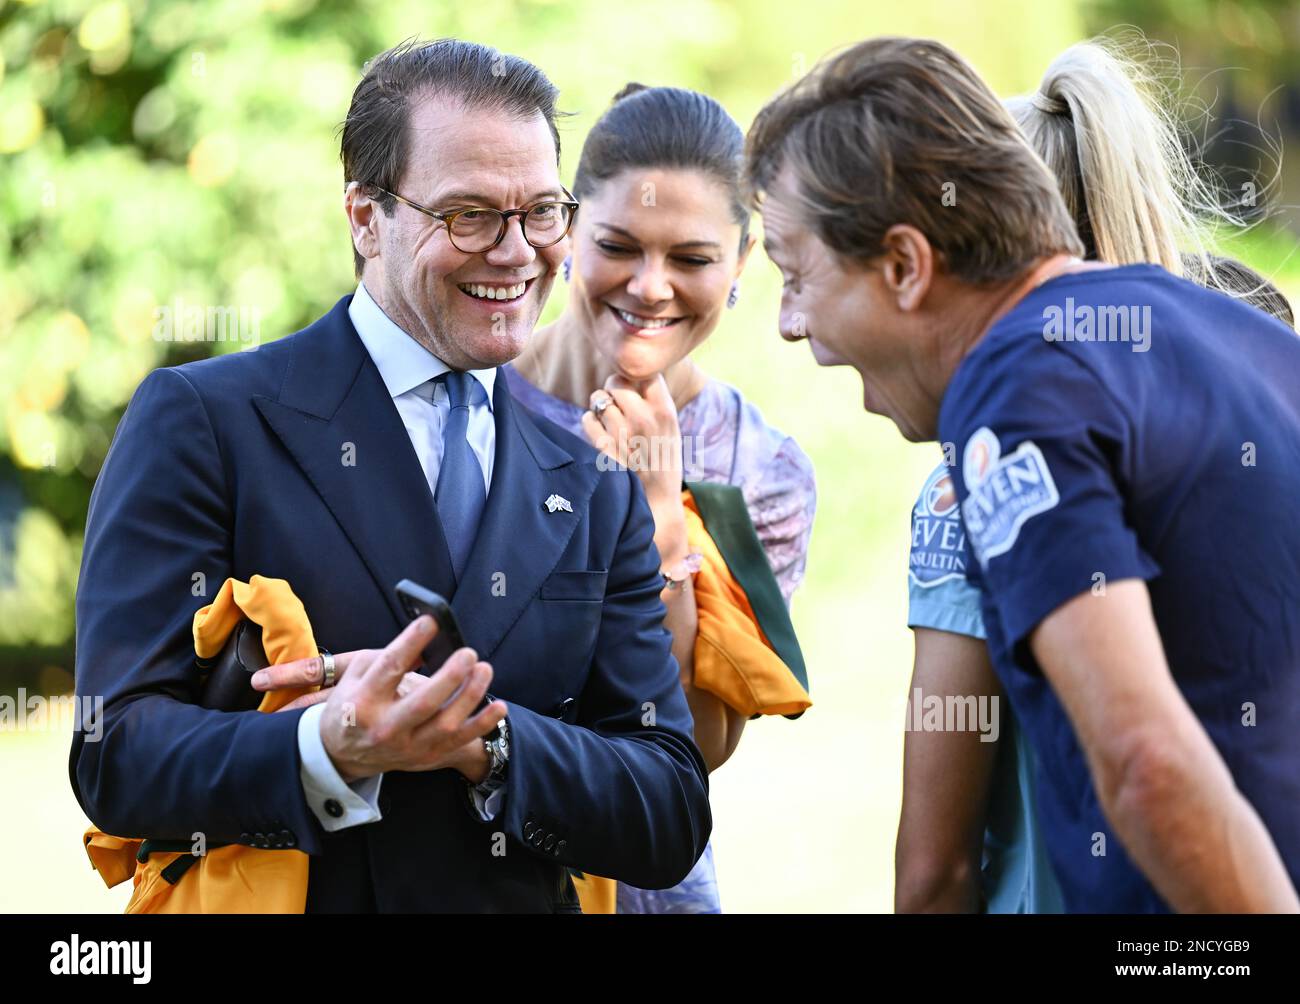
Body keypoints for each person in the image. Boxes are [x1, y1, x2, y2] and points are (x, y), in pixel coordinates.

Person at [70, 38, 711, 913]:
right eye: (470, 215)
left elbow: (669, 807)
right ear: (366, 217)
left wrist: (489, 743)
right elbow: (113, 754)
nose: (518, 252)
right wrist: (325, 747)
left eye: (543, 213)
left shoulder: (593, 481)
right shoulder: (208, 420)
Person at [747, 35, 1300, 912]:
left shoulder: (1019, 384)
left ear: (903, 265)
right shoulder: (1243, 334)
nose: (788, 324)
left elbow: (1145, 762)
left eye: (794, 275)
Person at [507, 83, 816, 913]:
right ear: (568, 230)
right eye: (619, 245)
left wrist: (656, 515)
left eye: (691, 258)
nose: (650, 287)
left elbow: (703, 746)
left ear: (742, 264)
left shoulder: (761, 471)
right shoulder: (469, 404)